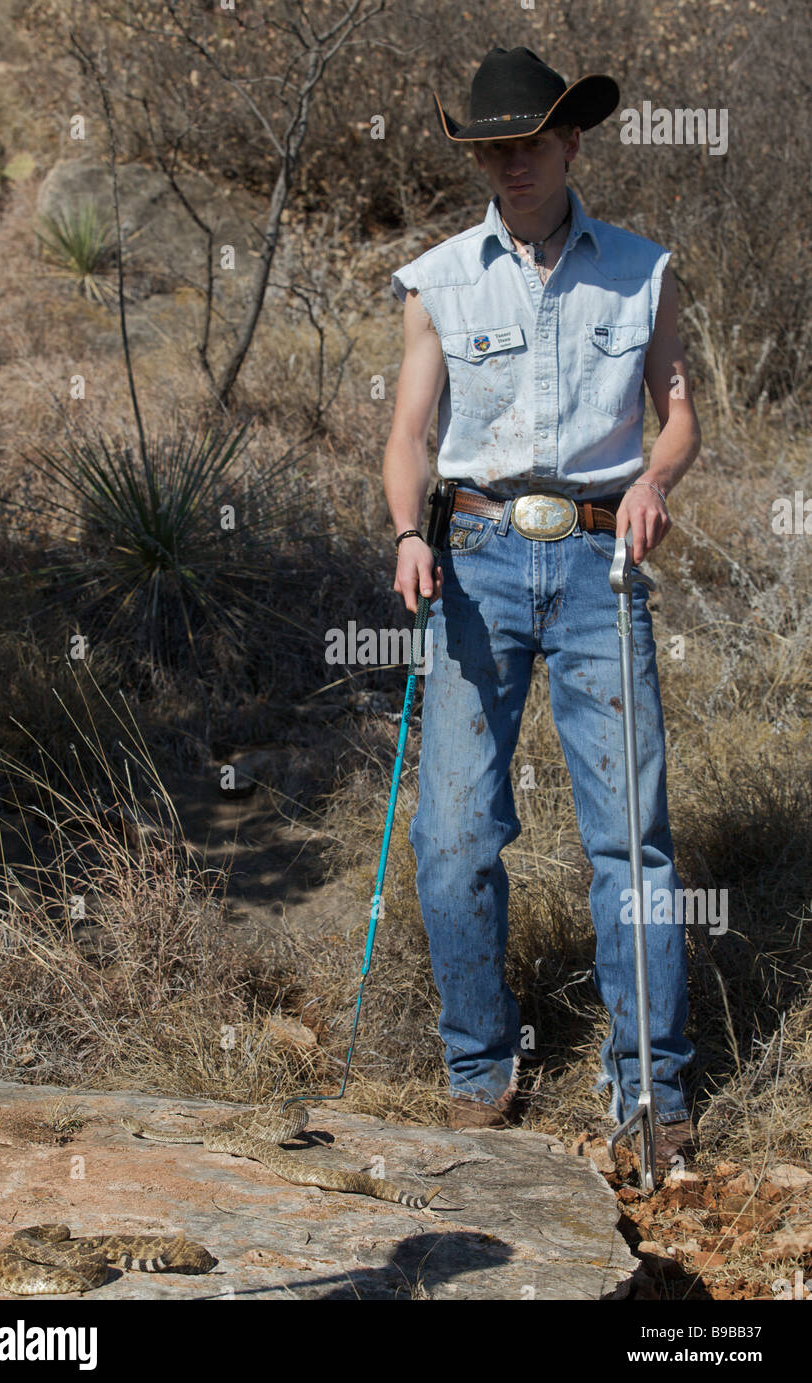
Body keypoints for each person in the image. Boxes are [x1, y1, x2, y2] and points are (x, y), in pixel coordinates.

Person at [383, 46, 702, 1170]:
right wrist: (409, 531)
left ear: (572, 143)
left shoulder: (641, 271)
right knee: (454, 832)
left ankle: (651, 1087)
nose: (510, 163)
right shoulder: (435, 280)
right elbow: (410, 436)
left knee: (631, 839)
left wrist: (653, 483)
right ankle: (479, 1066)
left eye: (528, 142)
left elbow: (675, 410)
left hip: (598, 560)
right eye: (489, 148)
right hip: (468, 554)